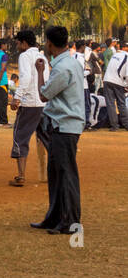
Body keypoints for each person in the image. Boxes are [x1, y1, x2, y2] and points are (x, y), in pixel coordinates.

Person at [32, 27, 83, 234]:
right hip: (62, 124)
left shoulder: (63, 68)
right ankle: (54, 217)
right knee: (56, 173)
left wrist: (40, 73)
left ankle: (70, 221)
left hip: (65, 125)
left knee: (66, 174)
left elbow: (44, 95)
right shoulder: (70, 63)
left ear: (50, 44)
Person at [8, 30, 48, 186]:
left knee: (20, 137)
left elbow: (25, 78)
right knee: (47, 139)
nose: (17, 46)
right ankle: (55, 173)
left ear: (24, 43)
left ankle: (21, 175)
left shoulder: (24, 56)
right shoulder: (42, 56)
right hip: (43, 103)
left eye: (18, 43)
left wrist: (17, 97)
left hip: (29, 103)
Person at [103, 40, 128, 130]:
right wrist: (126, 84)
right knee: (121, 103)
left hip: (107, 80)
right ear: (124, 48)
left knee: (110, 104)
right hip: (118, 81)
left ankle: (114, 126)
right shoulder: (126, 56)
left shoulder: (115, 55)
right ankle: (126, 124)